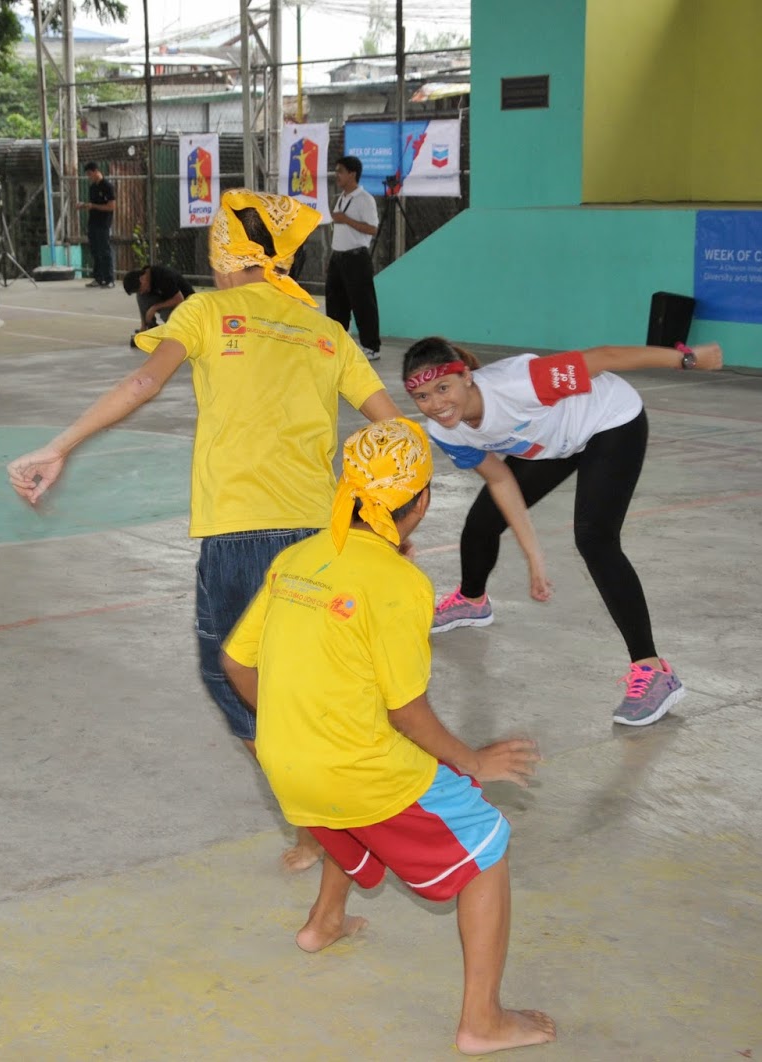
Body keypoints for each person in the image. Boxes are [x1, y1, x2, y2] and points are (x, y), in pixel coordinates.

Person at [7, 189, 405, 871]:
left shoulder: (205, 312)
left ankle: (318, 818)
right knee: (304, 682)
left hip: (241, 535)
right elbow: (393, 430)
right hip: (322, 537)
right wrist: (389, 517)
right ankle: (337, 814)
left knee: (231, 679)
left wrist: (60, 445)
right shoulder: (326, 331)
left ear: (225, 257)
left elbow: (141, 384)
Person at [220, 418, 555, 1056]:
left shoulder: (297, 559)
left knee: (345, 809)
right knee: (486, 843)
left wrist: (299, 721)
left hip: (286, 766)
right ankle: (482, 1021)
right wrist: (474, 760)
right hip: (356, 769)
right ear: (421, 501)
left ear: (344, 490)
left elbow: (236, 662)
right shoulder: (401, 582)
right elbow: (407, 711)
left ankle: (323, 923)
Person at [402, 335, 725, 726]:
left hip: (608, 422)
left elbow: (607, 355)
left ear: (466, 377)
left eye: (443, 388)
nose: (436, 404)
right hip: (554, 442)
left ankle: (653, 670)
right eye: (422, 396)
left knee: (595, 538)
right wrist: (535, 558)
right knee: (482, 521)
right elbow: (501, 481)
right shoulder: (446, 431)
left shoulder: (522, 382)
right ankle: (471, 601)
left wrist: (687, 359)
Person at [326, 156, 382, 362]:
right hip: (337, 257)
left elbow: (372, 229)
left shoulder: (364, 199)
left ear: (352, 174)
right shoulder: (341, 197)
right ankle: (338, 344)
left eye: (340, 171)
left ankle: (371, 347)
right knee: (335, 304)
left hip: (356, 258)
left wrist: (346, 220)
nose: (337, 175)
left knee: (363, 303)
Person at [121, 263, 194, 334]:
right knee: (141, 297)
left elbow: (179, 299)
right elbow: (142, 298)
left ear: (142, 279)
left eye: (140, 289)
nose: (141, 292)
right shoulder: (147, 278)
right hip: (168, 298)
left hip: (188, 305)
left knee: (165, 313)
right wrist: (143, 327)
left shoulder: (163, 276)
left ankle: (181, 332)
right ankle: (148, 328)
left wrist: (154, 308)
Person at [79, 160, 116, 288]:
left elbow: (111, 207)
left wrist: (93, 206)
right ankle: (98, 278)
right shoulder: (93, 188)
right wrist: (84, 205)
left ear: (96, 171)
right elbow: (92, 204)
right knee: (95, 251)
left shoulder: (107, 186)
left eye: (90, 174)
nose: (89, 177)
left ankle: (109, 279)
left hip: (103, 223)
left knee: (104, 250)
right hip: (93, 222)